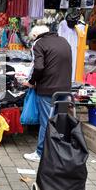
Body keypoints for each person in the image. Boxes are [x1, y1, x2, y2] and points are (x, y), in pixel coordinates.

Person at [23, 25, 72, 162]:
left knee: (46, 121)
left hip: (47, 89)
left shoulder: (39, 43)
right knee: (60, 120)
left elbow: (38, 67)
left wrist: (32, 82)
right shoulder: (63, 41)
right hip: (65, 88)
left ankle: (40, 153)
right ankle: (58, 151)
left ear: (35, 36)